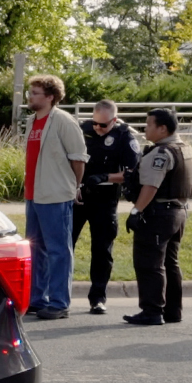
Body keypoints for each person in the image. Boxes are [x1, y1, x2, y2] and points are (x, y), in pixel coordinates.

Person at [21, 75, 86, 320]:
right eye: (31, 92)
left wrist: (74, 186)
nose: (30, 96)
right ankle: (38, 299)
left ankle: (59, 302)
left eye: (35, 92)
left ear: (50, 97)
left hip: (56, 195)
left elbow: (78, 158)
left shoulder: (63, 121)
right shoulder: (31, 122)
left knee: (58, 250)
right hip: (33, 194)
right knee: (36, 249)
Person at [123, 107, 192, 327]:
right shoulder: (184, 148)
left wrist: (136, 211)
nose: (146, 128)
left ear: (162, 129)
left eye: (149, 124)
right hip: (178, 212)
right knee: (170, 263)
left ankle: (152, 310)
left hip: (158, 214)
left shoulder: (160, 153)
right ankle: (173, 311)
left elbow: (151, 186)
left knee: (149, 263)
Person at [72, 99, 140, 315]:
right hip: (79, 197)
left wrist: (107, 177)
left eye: (103, 125)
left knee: (102, 250)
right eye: (95, 123)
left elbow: (132, 173)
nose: (98, 129)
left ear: (114, 120)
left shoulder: (124, 136)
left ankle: (98, 298)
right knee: (65, 246)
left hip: (105, 199)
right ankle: (59, 295)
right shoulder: (81, 129)